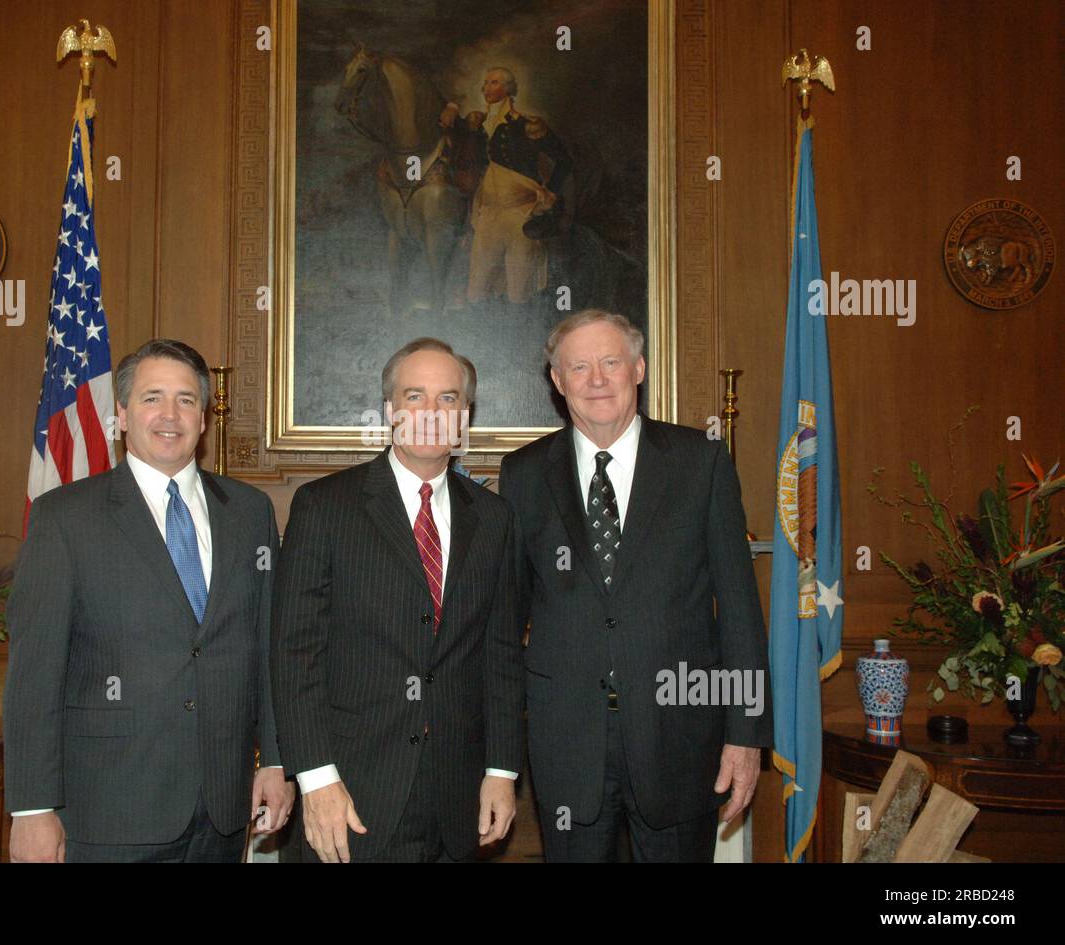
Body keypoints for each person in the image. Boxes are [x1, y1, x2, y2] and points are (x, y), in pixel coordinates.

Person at [4, 338, 294, 862]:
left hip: (223, 810)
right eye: (151, 397)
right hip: (107, 809)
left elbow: (270, 648)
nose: (170, 414)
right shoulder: (65, 518)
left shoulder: (250, 512)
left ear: (204, 419)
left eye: (186, 400)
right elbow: (33, 674)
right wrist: (31, 808)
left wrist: (274, 761)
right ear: (121, 414)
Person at [497, 310, 772, 862]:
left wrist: (745, 737)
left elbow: (740, 610)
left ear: (638, 368)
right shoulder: (524, 473)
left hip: (679, 734)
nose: (596, 379)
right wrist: (498, 755)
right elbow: (504, 624)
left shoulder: (701, 463)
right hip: (566, 739)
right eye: (579, 366)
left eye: (610, 362)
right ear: (558, 381)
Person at [271, 338, 524, 862]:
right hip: (349, 794)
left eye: (449, 399)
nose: (432, 412)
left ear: (465, 416)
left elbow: (501, 656)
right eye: (415, 396)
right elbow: (295, 656)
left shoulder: (495, 519)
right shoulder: (325, 507)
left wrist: (501, 771)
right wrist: (316, 779)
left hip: (458, 801)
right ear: (390, 411)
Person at [440, 67, 572, 305]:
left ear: (508, 89)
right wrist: (452, 106)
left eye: (494, 83)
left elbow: (564, 160)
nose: (486, 88)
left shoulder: (528, 125)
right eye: (485, 83)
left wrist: (549, 194)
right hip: (488, 213)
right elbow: (453, 129)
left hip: (520, 213)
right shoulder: (478, 124)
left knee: (519, 290)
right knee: (478, 289)